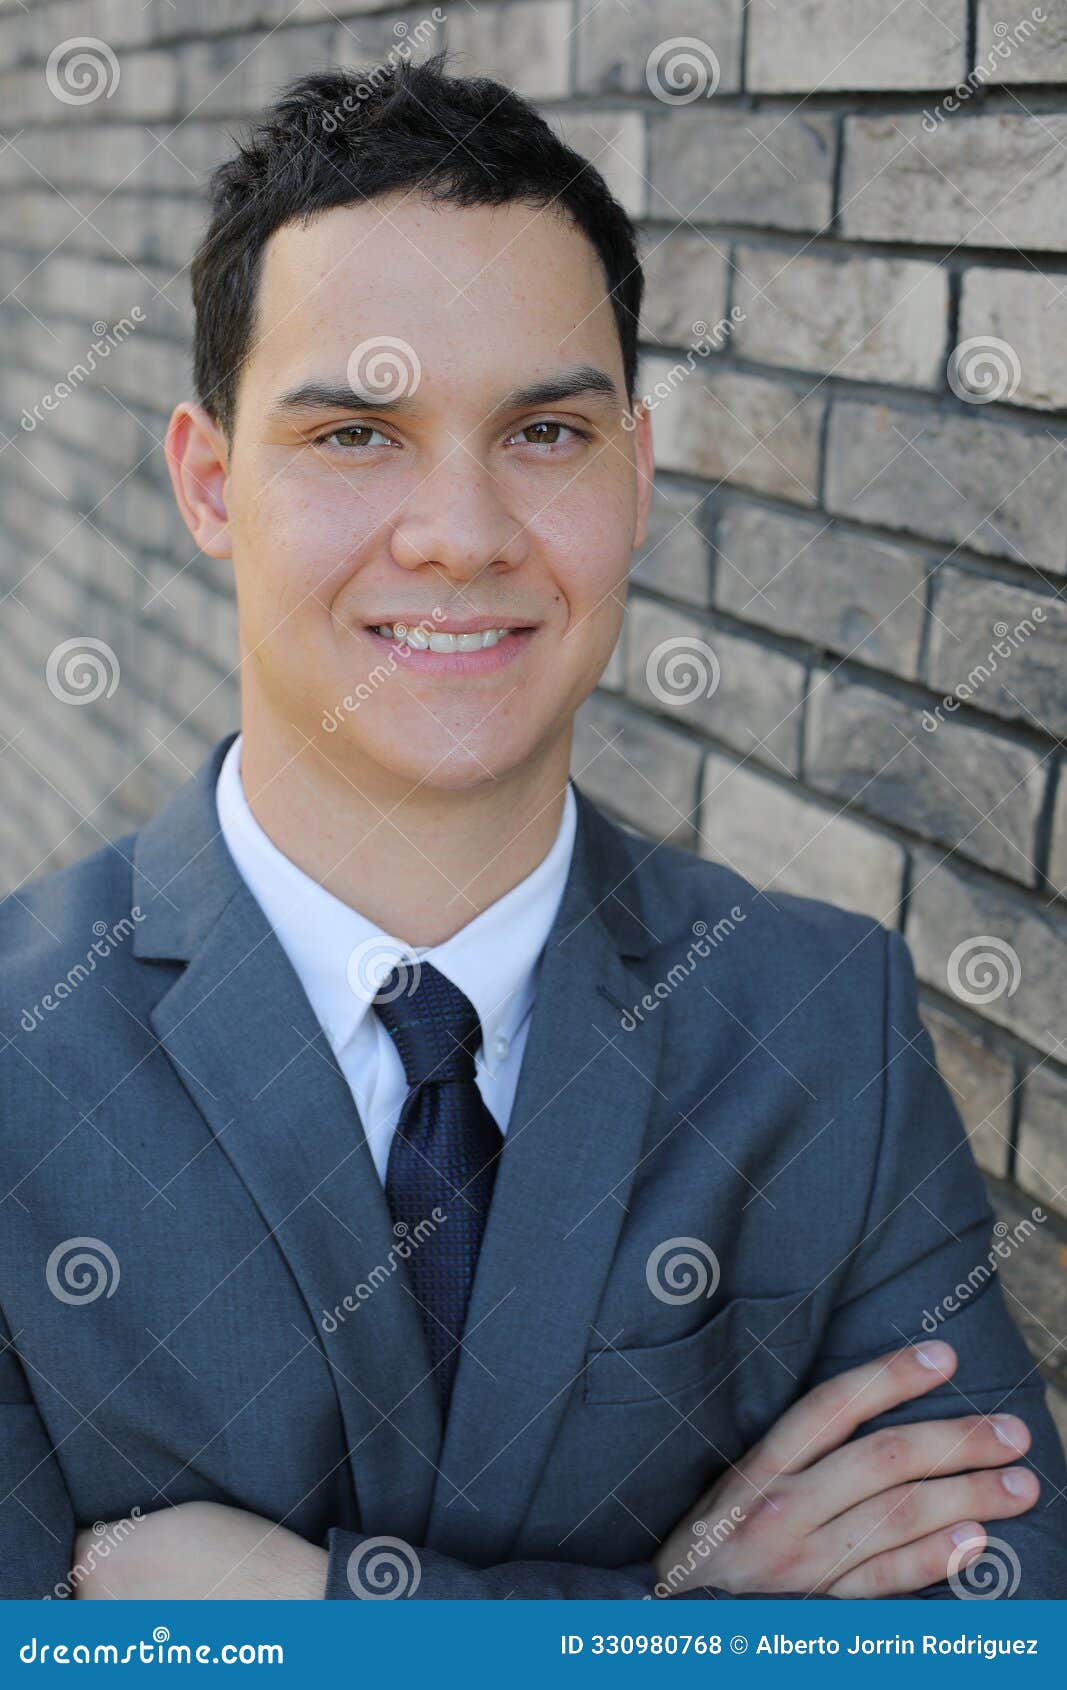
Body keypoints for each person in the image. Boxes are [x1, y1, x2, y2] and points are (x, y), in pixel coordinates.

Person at [2, 53, 1064, 1602]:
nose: (463, 533)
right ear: (213, 483)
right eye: (355, 434)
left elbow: (995, 1626)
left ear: (633, 479)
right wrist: (697, 1621)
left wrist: (323, 1613)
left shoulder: (827, 1029)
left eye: (544, 434)